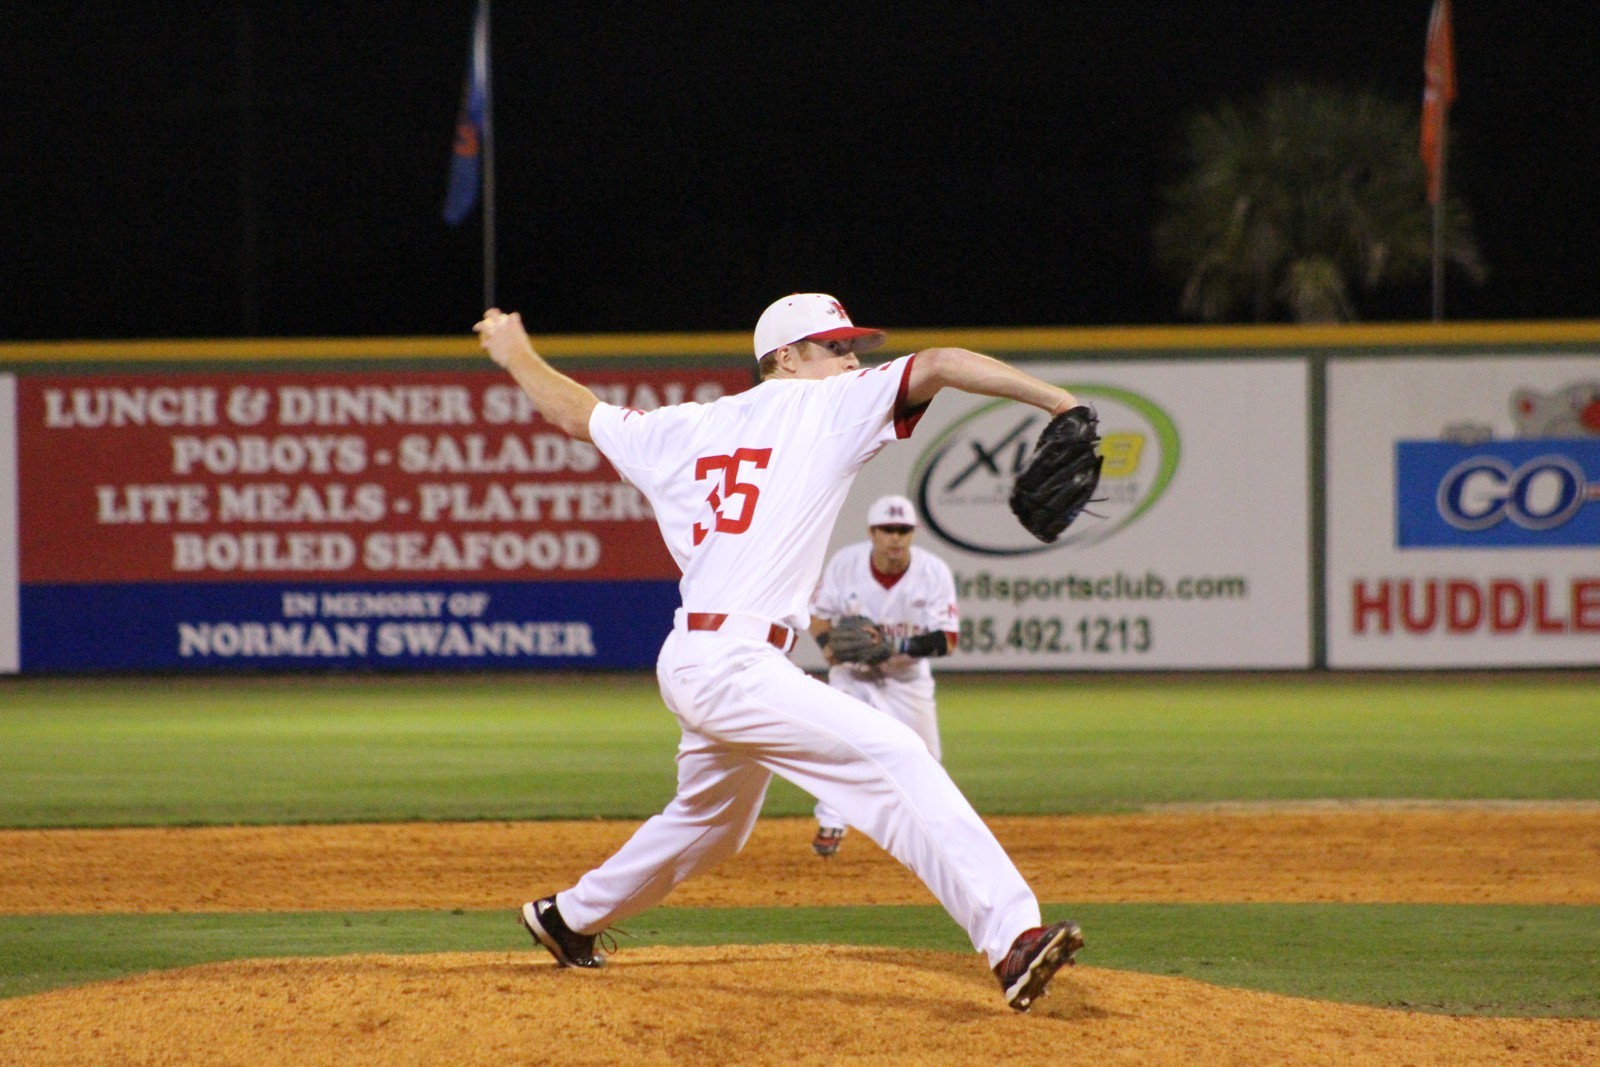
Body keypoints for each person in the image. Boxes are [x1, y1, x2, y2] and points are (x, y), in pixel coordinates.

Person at [475, 292, 1083, 1012]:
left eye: (853, 347)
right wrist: (1060, 403)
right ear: (786, 357)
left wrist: (515, 353)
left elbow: (576, 414)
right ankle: (1013, 937)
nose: (853, 359)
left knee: (713, 825)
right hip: (733, 662)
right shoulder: (828, 404)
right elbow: (944, 363)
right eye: (836, 346)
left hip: (702, 655)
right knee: (893, 755)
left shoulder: (682, 425)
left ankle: (566, 917)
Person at [808, 494, 959, 859]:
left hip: (907, 677)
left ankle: (935, 831)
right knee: (839, 746)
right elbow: (818, 616)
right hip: (853, 674)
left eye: (904, 530)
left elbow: (948, 640)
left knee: (926, 758)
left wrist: (894, 645)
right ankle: (831, 822)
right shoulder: (845, 564)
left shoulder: (933, 571)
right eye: (888, 530)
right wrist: (829, 645)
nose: (896, 537)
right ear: (872, 533)